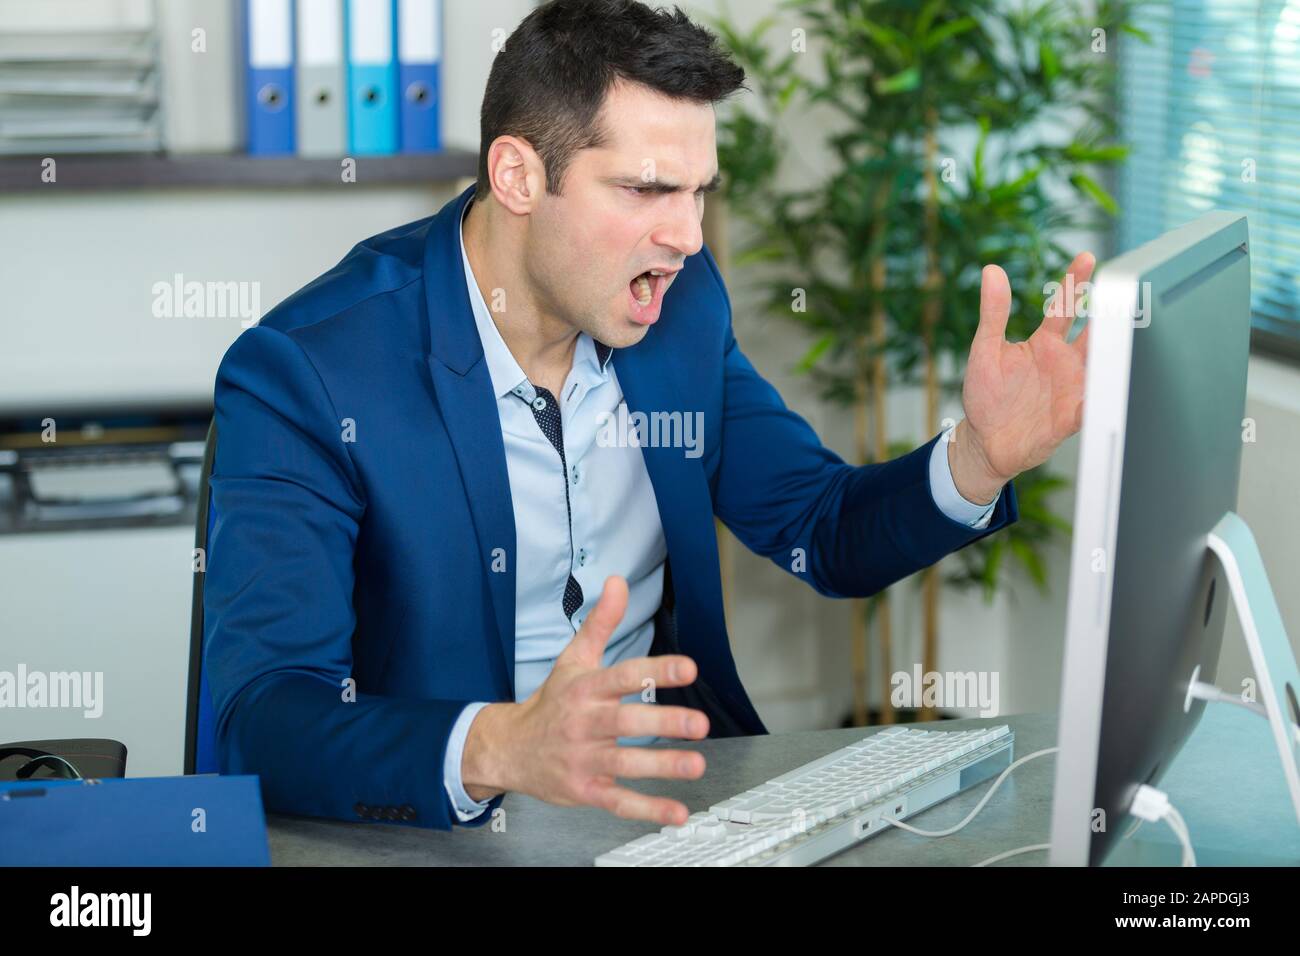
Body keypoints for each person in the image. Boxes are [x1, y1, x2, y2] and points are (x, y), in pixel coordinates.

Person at [204, 0, 1093, 832]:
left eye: (699, 191)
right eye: (646, 190)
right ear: (517, 174)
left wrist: (978, 457)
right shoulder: (308, 372)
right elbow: (264, 714)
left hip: (667, 815)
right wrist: (500, 747)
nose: (689, 237)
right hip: (444, 828)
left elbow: (820, 528)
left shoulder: (679, 309)